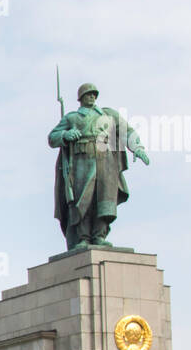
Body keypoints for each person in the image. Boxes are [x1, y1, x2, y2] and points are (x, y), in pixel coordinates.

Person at [47, 83, 149, 250]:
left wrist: (137, 148)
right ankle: (84, 237)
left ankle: (99, 235)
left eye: (94, 94)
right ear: (80, 98)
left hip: (106, 161)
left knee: (104, 200)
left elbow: (127, 131)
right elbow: (52, 137)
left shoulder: (109, 115)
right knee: (83, 201)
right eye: (88, 94)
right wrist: (65, 134)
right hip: (82, 161)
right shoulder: (72, 118)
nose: (92, 97)